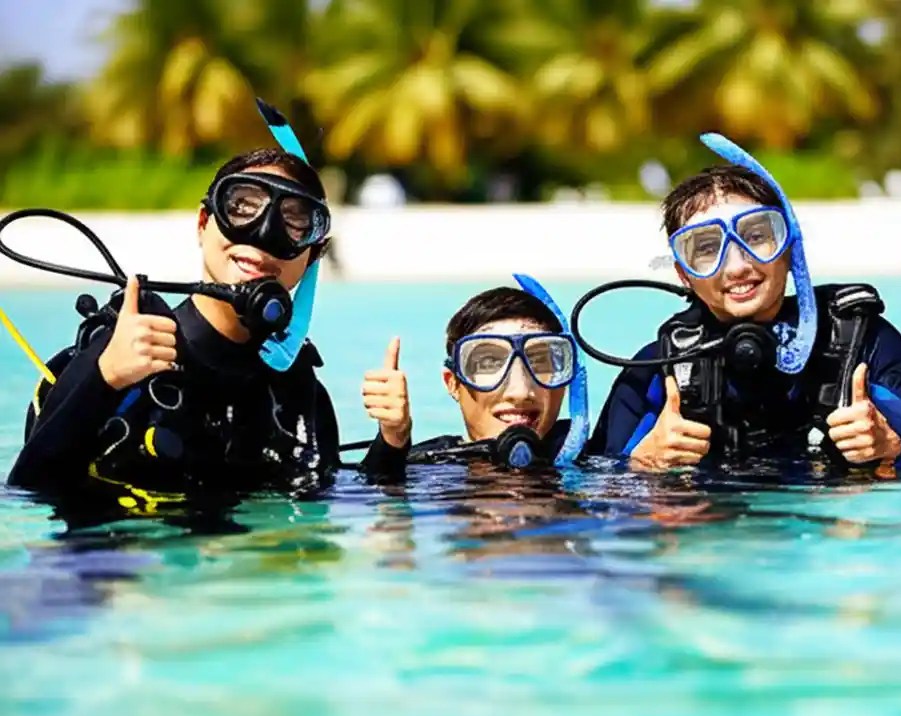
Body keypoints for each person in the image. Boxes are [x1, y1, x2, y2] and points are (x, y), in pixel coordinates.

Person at [5, 103, 410, 518]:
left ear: (310, 258)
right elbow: (28, 490)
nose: (263, 236)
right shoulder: (118, 351)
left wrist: (392, 441)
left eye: (294, 222)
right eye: (243, 207)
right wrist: (103, 378)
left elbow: (328, 501)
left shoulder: (296, 392)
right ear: (203, 223)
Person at [580, 134, 901, 470]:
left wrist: (890, 442)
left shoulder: (859, 340)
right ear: (683, 274)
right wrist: (641, 464)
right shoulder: (660, 368)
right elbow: (597, 485)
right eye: (706, 249)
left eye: (757, 236)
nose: (737, 266)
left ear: (790, 247)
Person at [387, 276, 588, 473]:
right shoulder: (423, 471)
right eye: (490, 363)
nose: (520, 392)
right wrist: (390, 445)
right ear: (453, 383)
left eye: (538, 363)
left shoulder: (599, 468)